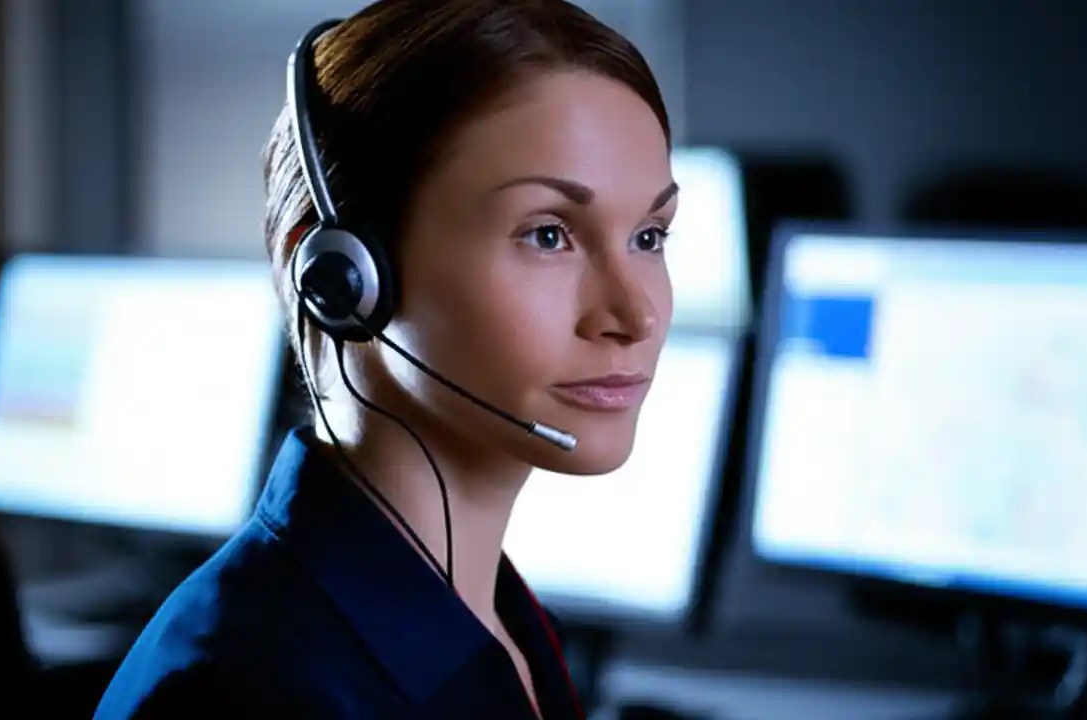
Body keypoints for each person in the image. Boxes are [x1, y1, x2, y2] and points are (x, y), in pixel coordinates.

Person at [96, 0, 676, 717]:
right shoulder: (249, 691)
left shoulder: (501, 623)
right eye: (548, 234)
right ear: (344, 276)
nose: (636, 314)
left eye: (650, 236)